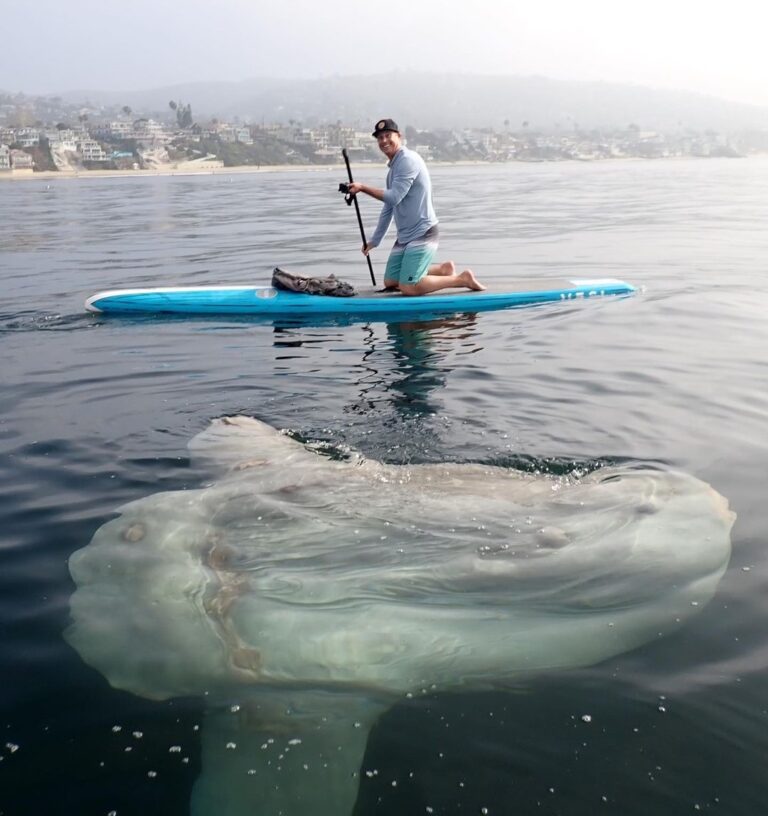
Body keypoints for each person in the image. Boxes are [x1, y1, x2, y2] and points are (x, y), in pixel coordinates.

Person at [347, 118, 485, 296]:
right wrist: (375, 241)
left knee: (409, 287)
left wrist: (363, 188)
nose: (383, 141)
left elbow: (394, 197)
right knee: (391, 282)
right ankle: (443, 270)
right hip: (405, 237)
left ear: (399, 136)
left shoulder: (408, 161)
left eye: (388, 135)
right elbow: (389, 207)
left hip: (422, 232)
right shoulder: (393, 171)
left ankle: (462, 279)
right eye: (380, 138)